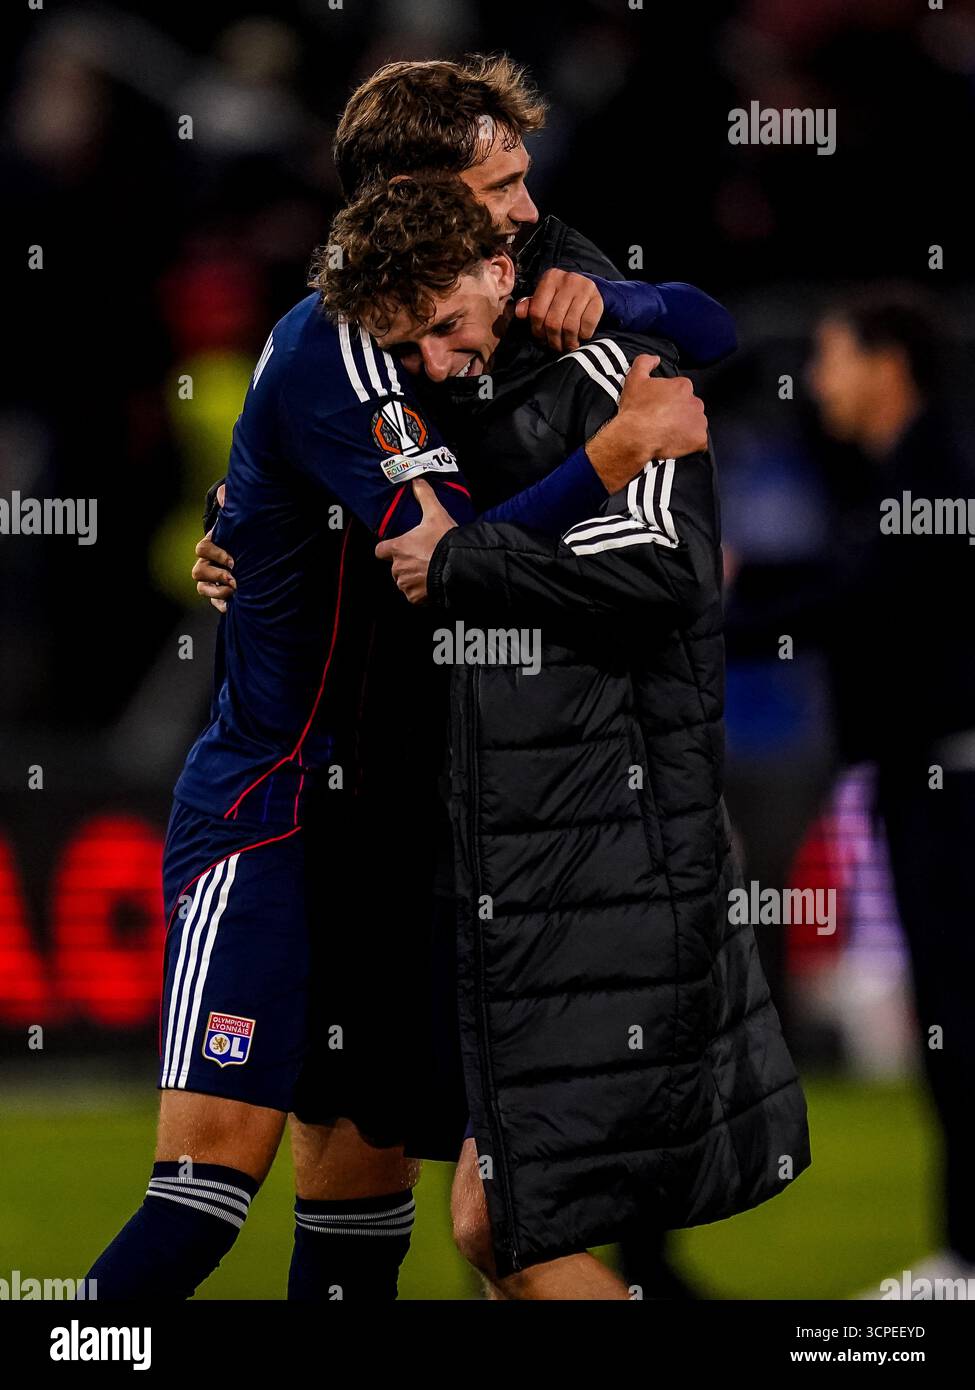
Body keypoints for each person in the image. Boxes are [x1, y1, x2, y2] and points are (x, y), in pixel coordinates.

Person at [83, 55, 723, 1301]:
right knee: (211, 1197)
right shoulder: (350, 345)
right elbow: (442, 557)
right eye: (502, 186)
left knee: (370, 1219)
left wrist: (616, 305)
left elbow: (710, 323)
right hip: (274, 814)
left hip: (402, 835)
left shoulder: (500, 286)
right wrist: (619, 446)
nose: (526, 211)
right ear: (423, 204)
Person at [316, 173, 812, 1294]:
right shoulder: (417, 381)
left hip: (604, 844)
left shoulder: (603, 358)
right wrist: (241, 532)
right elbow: (367, 521)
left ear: (498, 274)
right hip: (500, 847)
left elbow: (659, 571)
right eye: (498, 181)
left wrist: (458, 563)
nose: (435, 358)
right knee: (499, 1224)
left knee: (511, 1220)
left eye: (446, 328)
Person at [807, 286, 975, 1296]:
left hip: (952, 788)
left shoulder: (936, 477)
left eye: (832, 356)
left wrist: (714, 602)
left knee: (962, 1020)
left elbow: (854, 596)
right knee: (951, 1022)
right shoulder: (902, 478)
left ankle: (967, 1257)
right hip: (930, 783)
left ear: (887, 365)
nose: (818, 379)